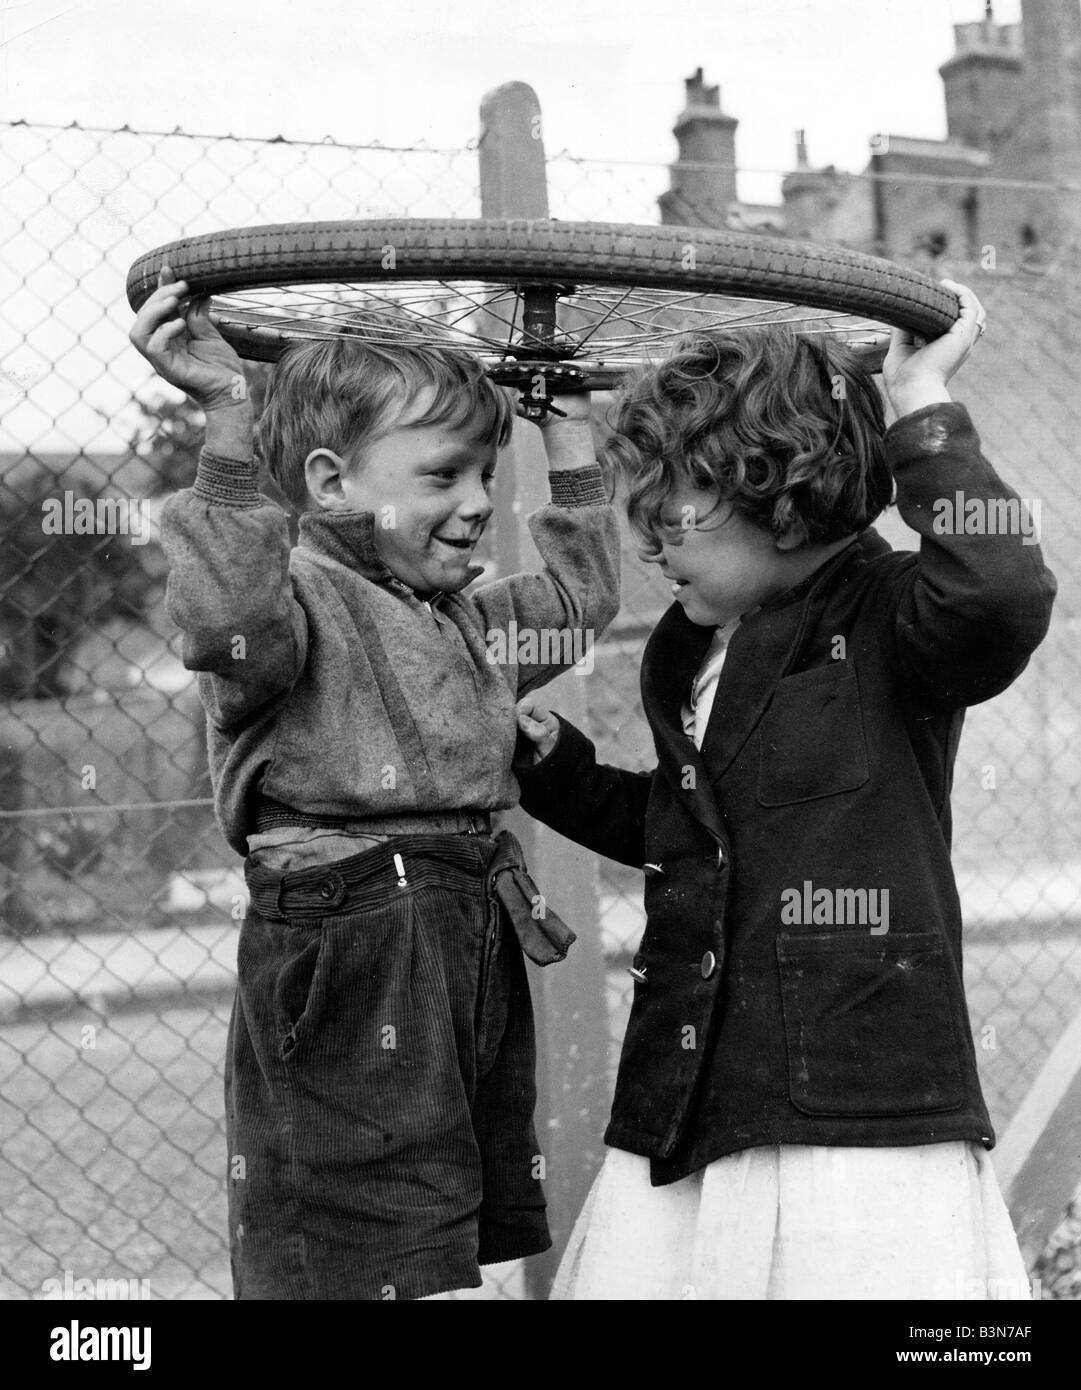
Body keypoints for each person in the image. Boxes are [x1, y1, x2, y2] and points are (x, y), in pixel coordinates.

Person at [514, 282, 1056, 1300]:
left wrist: (919, 408)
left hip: (859, 1099)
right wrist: (556, 768)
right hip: (697, 1095)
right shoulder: (690, 659)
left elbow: (1001, 591)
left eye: (668, 507)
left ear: (775, 484)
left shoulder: (896, 618)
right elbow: (687, 834)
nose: (642, 541)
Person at [129, 269, 620, 1300]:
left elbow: (580, 598)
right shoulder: (291, 607)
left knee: (441, 1235)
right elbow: (221, 617)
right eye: (443, 477)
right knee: (363, 1236)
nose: (480, 503)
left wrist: (569, 436)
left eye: (487, 474)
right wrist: (227, 421)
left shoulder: (469, 619)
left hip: (461, 943)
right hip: (354, 951)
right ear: (328, 482)